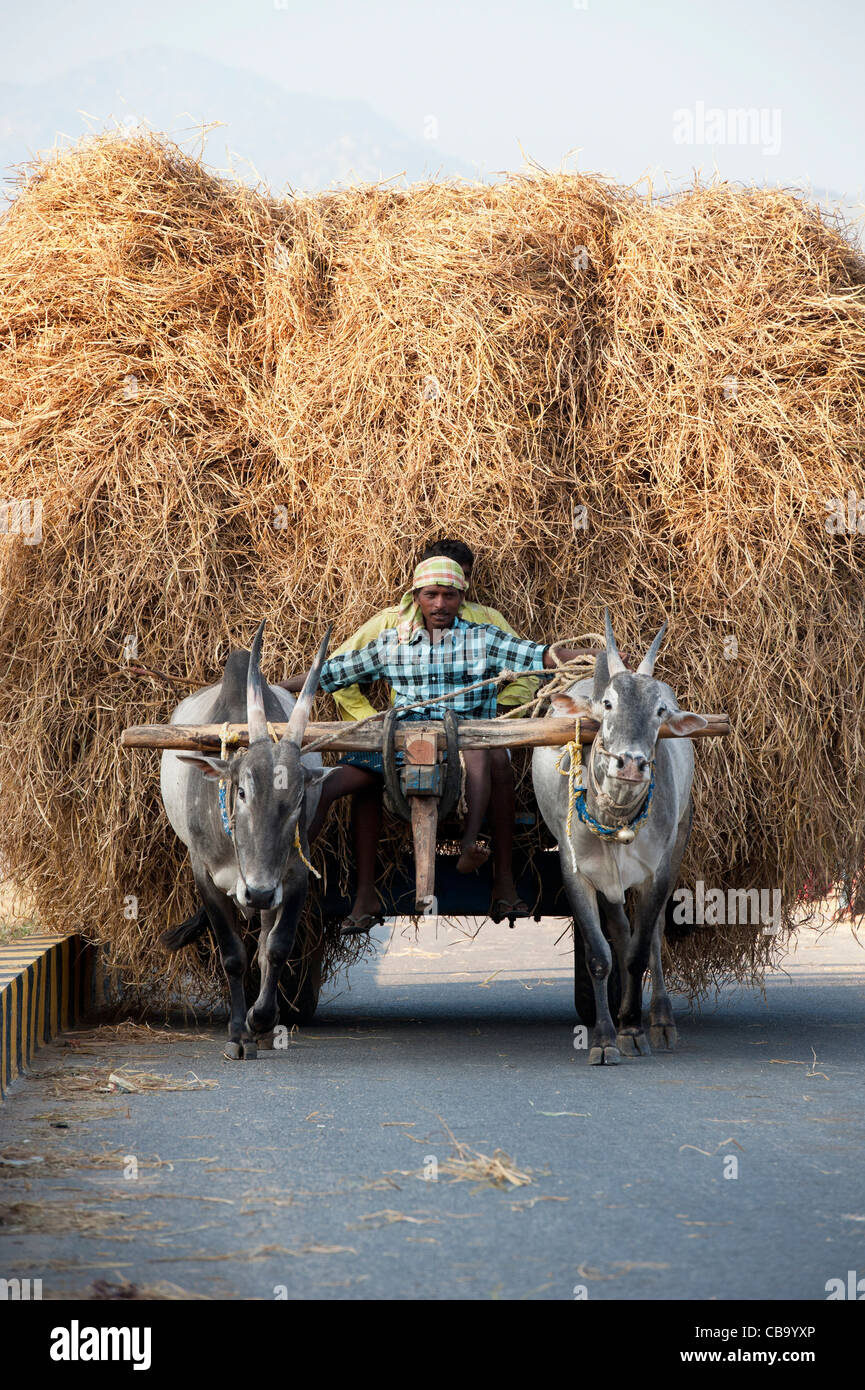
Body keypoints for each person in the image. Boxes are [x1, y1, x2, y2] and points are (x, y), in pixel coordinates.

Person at [284, 557, 597, 931]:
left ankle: (489, 865)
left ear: (461, 597)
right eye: (431, 595)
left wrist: (596, 658)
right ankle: (303, 866)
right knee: (330, 784)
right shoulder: (391, 644)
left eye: (449, 595)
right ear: (416, 597)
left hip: (465, 743)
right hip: (401, 747)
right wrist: (276, 688)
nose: (440, 604)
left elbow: (542, 656)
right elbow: (332, 674)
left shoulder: (482, 639)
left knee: (487, 757)